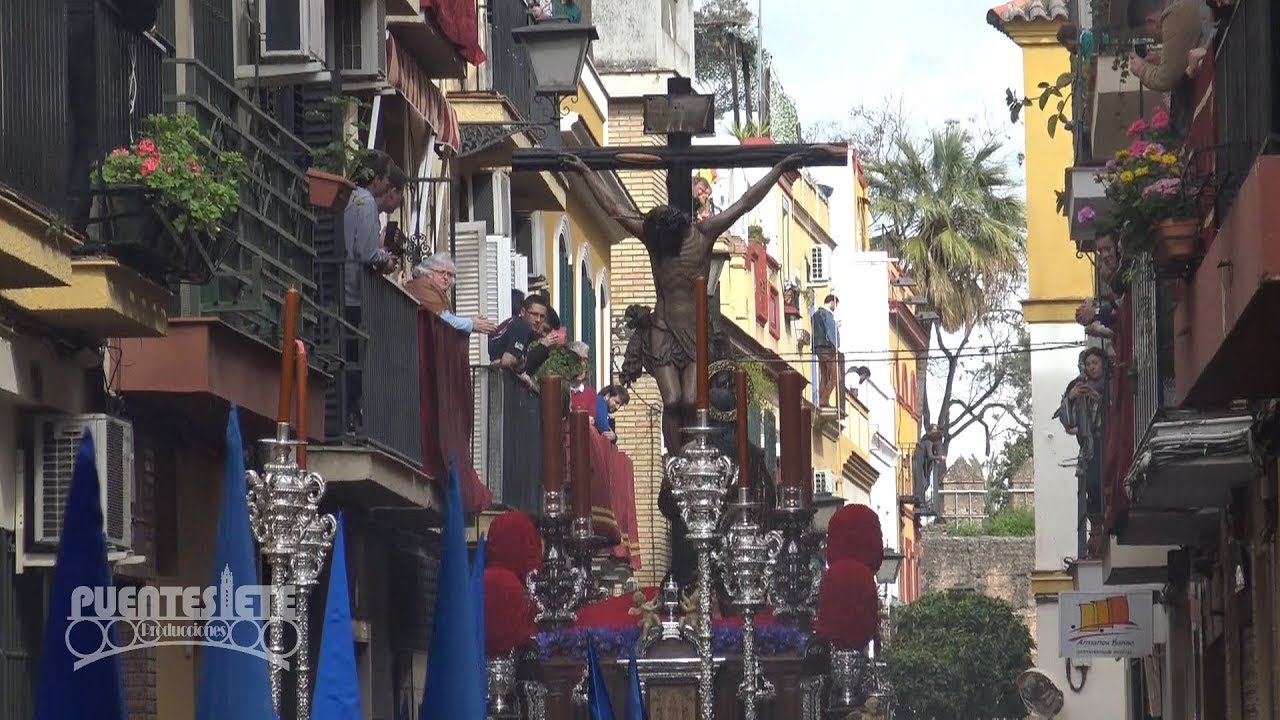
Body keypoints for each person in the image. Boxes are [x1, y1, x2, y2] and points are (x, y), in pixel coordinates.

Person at [562, 149, 817, 453]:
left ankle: (694, 451)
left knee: (692, 399)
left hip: (695, 333)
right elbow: (614, 208)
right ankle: (675, 457)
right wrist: (584, 171)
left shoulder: (703, 234)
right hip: (663, 329)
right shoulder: (654, 237)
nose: (664, 246)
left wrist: (779, 169)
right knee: (672, 400)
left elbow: (745, 202)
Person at [342, 151, 397, 429]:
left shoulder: (350, 198)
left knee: (350, 357)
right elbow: (365, 251)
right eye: (386, 179)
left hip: (345, 289)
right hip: (354, 293)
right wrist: (385, 259)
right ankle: (350, 417)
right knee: (355, 361)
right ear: (376, 178)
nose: (387, 186)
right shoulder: (365, 203)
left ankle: (349, 414)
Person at [404, 253, 497, 335]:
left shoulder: (435, 291)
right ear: (428, 273)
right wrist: (471, 323)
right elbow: (443, 319)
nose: (446, 277)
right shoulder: (422, 286)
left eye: (449, 274)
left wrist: (471, 322)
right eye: (441, 272)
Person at [1127, 0, 1208, 93]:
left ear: (1151, 21)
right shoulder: (1181, 6)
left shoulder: (1175, 13)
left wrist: (1140, 69)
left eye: (1146, 34)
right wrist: (1161, 58)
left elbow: (1165, 80)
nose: (1153, 40)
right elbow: (1187, 55)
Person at [489, 295, 549, 376]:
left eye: (542, 316)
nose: (538, 320)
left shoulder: (518, 323)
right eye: (534, 314)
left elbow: (518, 366)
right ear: (523, 312)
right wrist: (520, 361)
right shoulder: (521, 326)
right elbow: (507, 361)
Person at [811, 293, 841, 410]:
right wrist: (836, 326)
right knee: (835, 376)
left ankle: (822, 401)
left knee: (824, 375)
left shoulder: (816, 314)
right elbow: (830, 332)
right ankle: (824, 400)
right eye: (835, 305)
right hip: (828, 348)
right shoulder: (827, 314)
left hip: (819, 348)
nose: (835, 308)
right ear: (832, 302)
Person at [912, 425, 946, 515]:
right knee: (922, 482)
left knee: (924, 482)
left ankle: (921, 500)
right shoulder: (928, 443)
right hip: (919, 462)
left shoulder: (927, 443)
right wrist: (939, 457)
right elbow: (930, 456)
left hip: (921, 462)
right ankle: (920, 500)